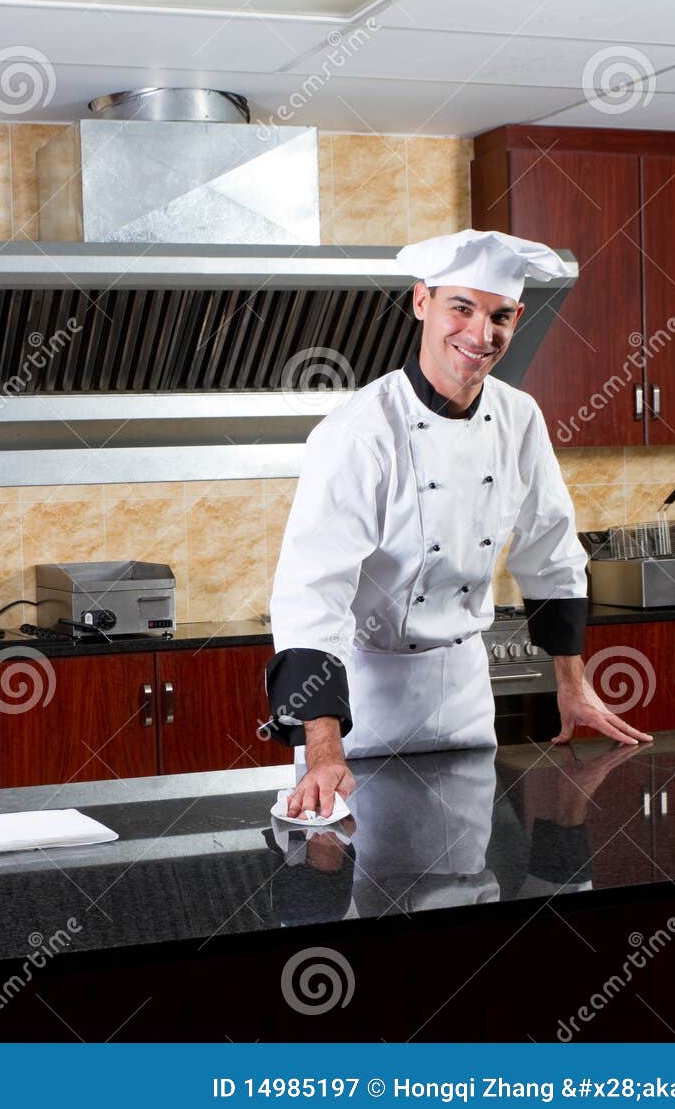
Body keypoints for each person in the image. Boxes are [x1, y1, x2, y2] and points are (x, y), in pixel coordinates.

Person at [264, 229, 651, 818]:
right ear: (422, 303)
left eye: (498, 316)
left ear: (517, 318)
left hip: (466, 693)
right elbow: (311, 595)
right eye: (461, 308)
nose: (480, 334)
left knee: (467, 882)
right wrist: (322, 749)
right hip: (363, 704)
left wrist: (573, 685)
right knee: (356, 888)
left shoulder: (519, 417)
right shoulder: (360, 432)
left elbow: (550, 550)